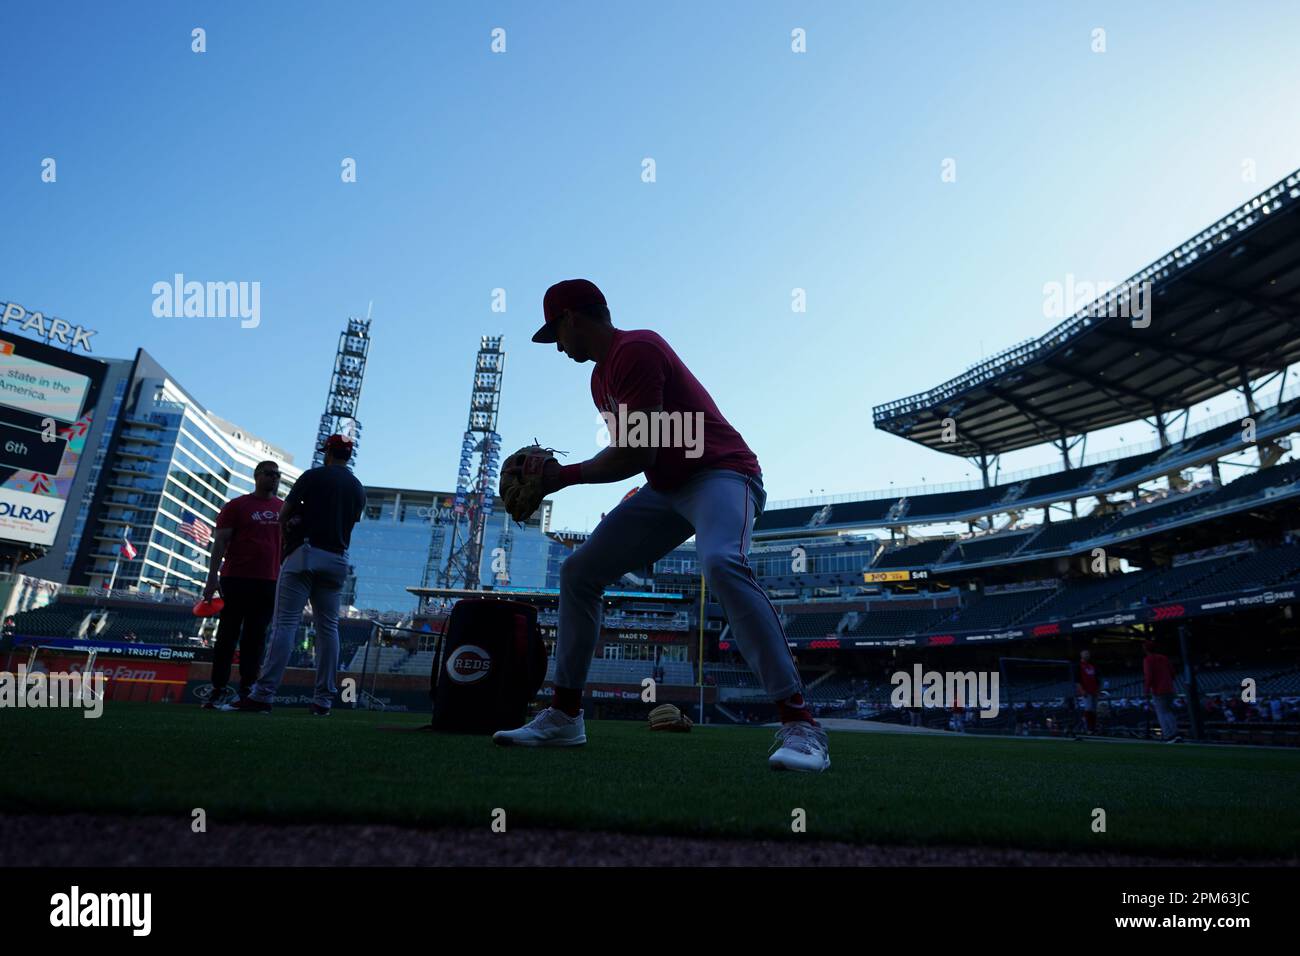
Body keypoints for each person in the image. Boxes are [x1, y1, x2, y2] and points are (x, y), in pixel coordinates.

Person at [492, 279, 829, 771]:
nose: (558, 346)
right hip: (668, 487)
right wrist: (564, 477)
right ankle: (565, 716)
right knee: (578, 573)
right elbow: (641, 454)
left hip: (722, 472)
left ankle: (802, 725)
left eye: (556, 334)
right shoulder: (597, 380)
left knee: (721, 562)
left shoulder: (637, 348)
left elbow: (632, 452)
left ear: (571, 318)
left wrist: (558, 477)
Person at [223, 434, 365, 716]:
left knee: (285, 624)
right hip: (338, 557)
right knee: (328, 629)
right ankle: (323, 701)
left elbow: (283, 514)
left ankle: (262, 695)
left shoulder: (313, 476)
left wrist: (295, 528)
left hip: (305, 552)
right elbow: (352, 521)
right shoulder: (357, 487)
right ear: (348, 456)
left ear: (328, 453)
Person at [202, 460, 283, 708]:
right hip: (235, 578)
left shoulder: (284, 508)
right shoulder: (237, 506)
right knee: (227, 635)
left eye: (277, 475)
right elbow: (220, 543)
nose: (274, 478)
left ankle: (248, 689)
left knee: (256, 638)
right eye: (269, 474)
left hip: (268, 581)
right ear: (257, 476)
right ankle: (218, 687)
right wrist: (211, 578)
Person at [1143, 640, 1181, 742]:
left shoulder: (1148, 660)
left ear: (1146, 649)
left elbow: (1149, 676)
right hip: (1170, 688)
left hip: (1159, 690)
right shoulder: (1164, 658)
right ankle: (1176, 734)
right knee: (1169, 712)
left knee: (1162, 713)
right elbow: (1172, 673)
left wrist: (1146, 690)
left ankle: (1169, 735)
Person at [1076, 648, 1100, 734]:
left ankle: (1093, 727)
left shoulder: (1092, 665)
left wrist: (1098, 689)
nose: (1087, 655)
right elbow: (1077, 680)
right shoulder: (1079, 666)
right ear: (1081, 655)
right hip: (1086, 690)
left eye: (1088, 653)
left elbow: (1097, 678)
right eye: (1085, 653)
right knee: (1088, 708)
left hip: (1094, 690)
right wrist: (1082, 690)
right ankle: (1088, 727)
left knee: (1094, 709)